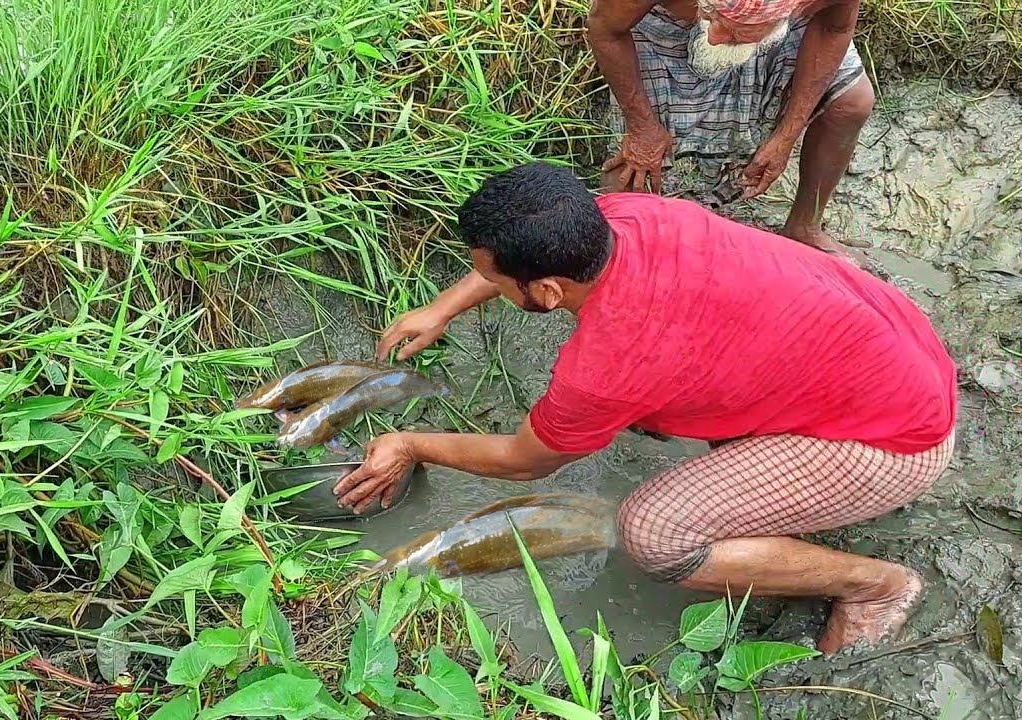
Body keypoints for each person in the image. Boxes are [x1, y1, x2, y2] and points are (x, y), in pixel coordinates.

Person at [333, 162, 957, 654]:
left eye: (493, 283)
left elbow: (523, 462)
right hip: (905, 352)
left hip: (896, 441)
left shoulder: (607, 365)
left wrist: (412, 443)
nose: (486, 287)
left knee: (655, 536)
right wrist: (442, 309)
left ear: (548, 292)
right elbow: (526, 257)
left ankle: (876, 585)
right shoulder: (626, 215)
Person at [587, 0, 873, 258]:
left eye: (731, 27)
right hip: (662, 25)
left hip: (775, 28)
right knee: (637, 163)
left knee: (852, 101)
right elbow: (605, 28)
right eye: (713, 15)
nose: (714, 36)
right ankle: (610, 250)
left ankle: (804, 226)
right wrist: (641, 127)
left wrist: (787, 136)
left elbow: (833, 29)